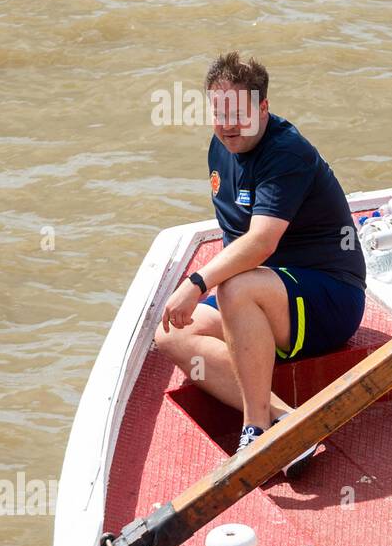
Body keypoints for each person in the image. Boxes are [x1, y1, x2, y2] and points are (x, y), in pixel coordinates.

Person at [154, 52, 367, 476]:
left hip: (331, 297)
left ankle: (255, 430)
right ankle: (288, 423)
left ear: (263, 108)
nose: (228, 124)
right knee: (172, 335)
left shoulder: (286, 152)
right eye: (219, 113)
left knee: (234, 287)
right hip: (269, 294)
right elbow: (236, 240)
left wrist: (197, 282)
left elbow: (260, 243)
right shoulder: (220, 149)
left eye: (238, 112)